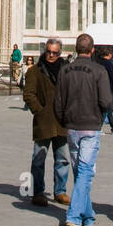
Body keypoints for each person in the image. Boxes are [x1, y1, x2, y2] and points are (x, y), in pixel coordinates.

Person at [53, 33, 112, 226]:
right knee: (86, 171)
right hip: (90, 127)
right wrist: (100, 116)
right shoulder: (99, 70)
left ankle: (88, 215)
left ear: (76, 49)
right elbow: (106, 102)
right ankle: (74, 216)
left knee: (80, 172)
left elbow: (58, 101)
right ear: (92, 49)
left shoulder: (65, 70)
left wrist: (64, 121)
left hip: (71, 127)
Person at [23, 37, 70, 209]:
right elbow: (28, 94)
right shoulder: (35, 71)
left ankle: (60, 191)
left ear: (60, 53)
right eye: (49, 52)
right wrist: (39, 110)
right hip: (44, 121)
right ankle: (38, 192)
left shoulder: (66, 70)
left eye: (55, 53)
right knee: (38, 158)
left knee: (63, 159)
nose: (51, 55)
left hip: (62, 122)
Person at [97, 48, 113, 133]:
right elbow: (112, 76)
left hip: (98, 87)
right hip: (108, 88)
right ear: (109, 54)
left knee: (107, 110)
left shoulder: (97, 62)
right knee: (108, 109)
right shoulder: (108, 64)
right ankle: (100, 128)